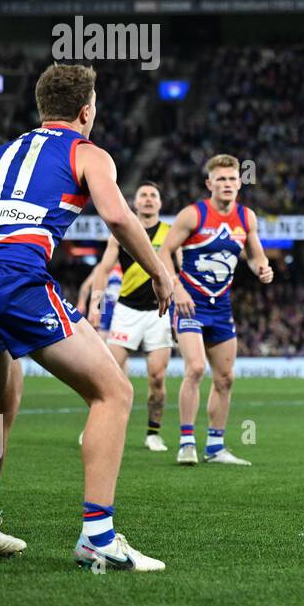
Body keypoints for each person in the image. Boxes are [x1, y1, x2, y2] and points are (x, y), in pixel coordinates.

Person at [0, 63, 173, 571]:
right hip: (16, 280)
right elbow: (117, 216)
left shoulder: (0, 155)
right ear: (87, 109)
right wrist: (159, 272)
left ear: (41, 105)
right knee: (114, 392)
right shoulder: (87, 153)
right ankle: (97, 536)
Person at [159, 155, 273, 466]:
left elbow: (255, 255)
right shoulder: (193, 215)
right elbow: (164, 251)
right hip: (189, 303)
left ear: (240, 183)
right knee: (195, 369)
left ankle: (215, 447)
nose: (227, 184)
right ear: (210, 184)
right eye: (220, 179)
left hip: (220, 307)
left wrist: (262, 268)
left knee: (225, 378)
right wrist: (176, 287)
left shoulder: (246, 217)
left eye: (232, 179)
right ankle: (185, 443)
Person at [84, 181, 176, 452]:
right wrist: (96, 308)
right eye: (143, 195)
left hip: (158, 312)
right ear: (135, 203)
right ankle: (96, 427)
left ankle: (153, 433)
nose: (148, 199)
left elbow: (181, 270)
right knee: (105, 374)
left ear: (160, 203)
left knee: (157, 378)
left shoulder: (171, 235)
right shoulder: (121, 232)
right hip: (125, 311)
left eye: (153, 196)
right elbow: (102, 271)